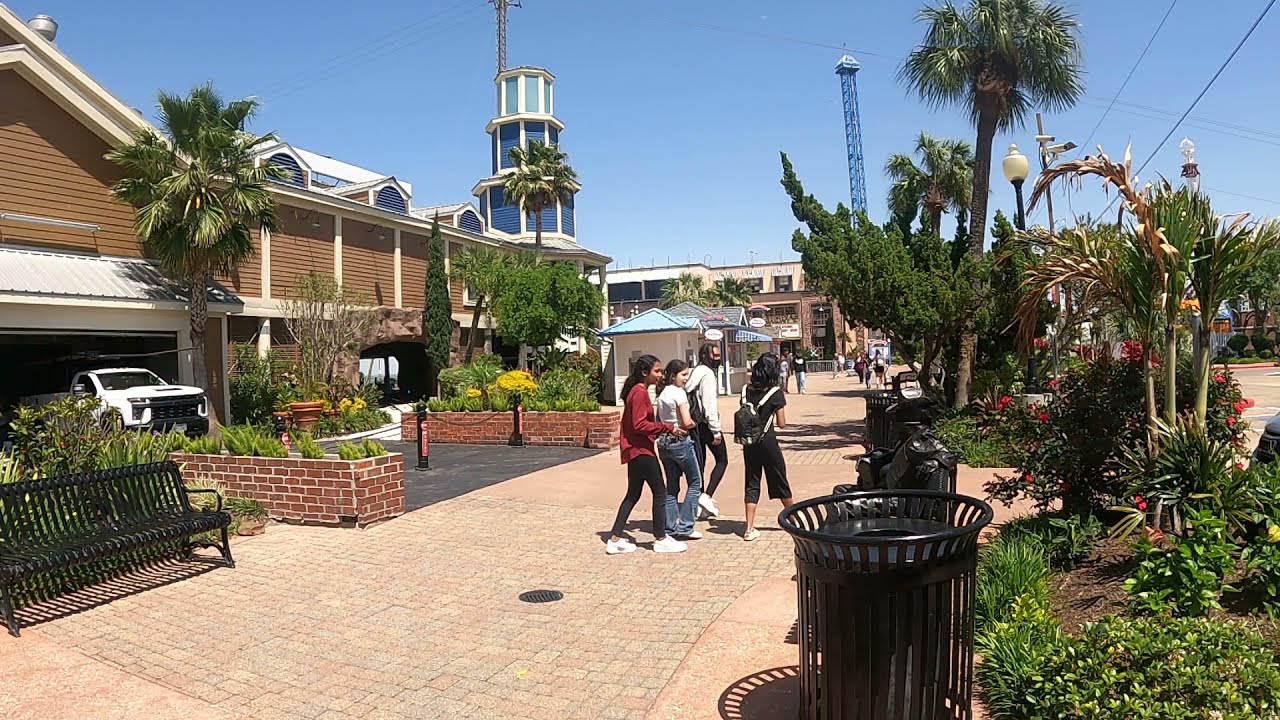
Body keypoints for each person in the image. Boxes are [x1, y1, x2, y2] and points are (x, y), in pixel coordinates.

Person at [607, 355, 688, 555]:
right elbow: (639, 424)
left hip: (635, 450)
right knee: (660, 492)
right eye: (657, 371)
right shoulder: (639, 393)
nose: (660, 375)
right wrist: (668, 428)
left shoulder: (636, 391)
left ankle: (615, 538)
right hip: (641, 450)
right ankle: (660, 538)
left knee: (633, 494)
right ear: (645, 373)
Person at [740, 353, 795, 541]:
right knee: (779, 479)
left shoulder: (745, 390)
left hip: (749, 442)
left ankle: (749, 528)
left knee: (751, 481)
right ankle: (794, 519)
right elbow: (781, 423)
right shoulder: (775, 392)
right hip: (768, 441)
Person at [654, 359, 704, 540]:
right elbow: (686, 420)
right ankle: (685, 525)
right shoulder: (678, 393)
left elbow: (658, 420)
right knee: (695, 482)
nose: (685, 378)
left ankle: (670, 524)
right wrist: (695, 422)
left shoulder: (661, 394)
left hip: (664, 443)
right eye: (683, 375)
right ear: (673, 376)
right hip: (680, 441)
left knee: (672, 485)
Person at [686, 343, 727, 519]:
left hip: (694, 425)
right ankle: (706, 496)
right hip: (706, 424)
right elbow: (709, 404)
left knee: (699, 464)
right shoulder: (708, 374)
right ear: (705, 355)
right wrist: (716, 430)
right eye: (714, 356)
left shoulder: (695, 372)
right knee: (722, 460)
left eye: (719, 356)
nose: (717, 359)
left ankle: (696, 505)